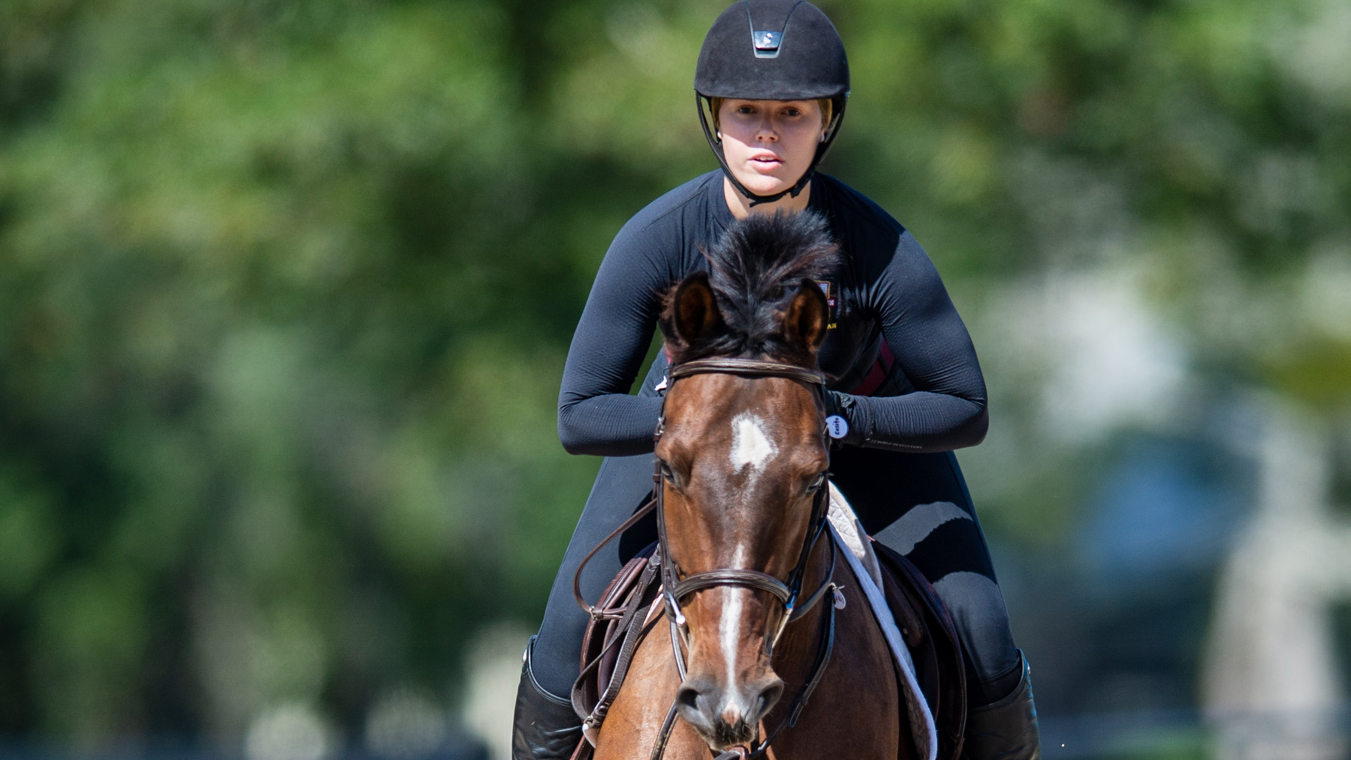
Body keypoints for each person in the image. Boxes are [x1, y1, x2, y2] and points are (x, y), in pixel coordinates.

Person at [511, 1, 1041, 758]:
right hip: (690, 450)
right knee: (564, 642)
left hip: (857, 437)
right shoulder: (658, 239)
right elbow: (579, 415)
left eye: (791, 112)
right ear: (714, 120)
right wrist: (698, 427)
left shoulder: (878, 246)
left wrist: (837, 418)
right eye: (747, 111)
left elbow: (965, 405)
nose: (767, 132)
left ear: (826, 121)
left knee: (983, 638)